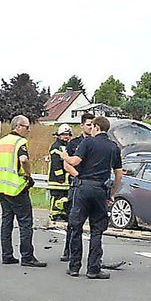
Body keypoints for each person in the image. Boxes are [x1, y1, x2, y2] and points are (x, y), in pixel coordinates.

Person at [62, 114, 122, 279]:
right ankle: (93, 269)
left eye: (92, 127)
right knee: (97, 230)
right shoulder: (114, 147)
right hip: (100, 191)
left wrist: (64, 156)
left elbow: (74, 161)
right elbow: (118, 175)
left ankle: (74, 267)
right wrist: (112, 194)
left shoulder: (87, 142)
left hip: (83, 189)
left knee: (76, 227)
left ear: (96, 127)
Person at [0, 114, 45, 267]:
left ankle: (7, 255)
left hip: (1, 187)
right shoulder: (20, 142)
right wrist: (28, 174)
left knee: (6, 221)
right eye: (27, 127)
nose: (28, 130)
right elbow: (23, 160)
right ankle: (27, 257)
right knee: (25, 222)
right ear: (18, 126)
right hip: (17, 188)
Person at [60, 113, 95, 265]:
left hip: (91, 186)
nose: (91, 127)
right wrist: (78, 176)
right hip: (77, 184)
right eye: (88, 124)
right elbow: (66, 163)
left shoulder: (97, 142)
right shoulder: (74, 143)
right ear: (82, 125)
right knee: (73, 220)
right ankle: (68, 251)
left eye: (93, 125)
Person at [45, 124, 73, 226]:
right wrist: (60, 176)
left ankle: (63, 214)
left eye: (68, 134)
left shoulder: (69, 146)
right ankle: (54, 214)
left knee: (65, 198)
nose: (66, 136)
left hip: (66, 179)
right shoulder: (55, 147)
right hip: (56, 180)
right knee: (56, 196)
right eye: (64, 134)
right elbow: (56, 163)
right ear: (59, 135)